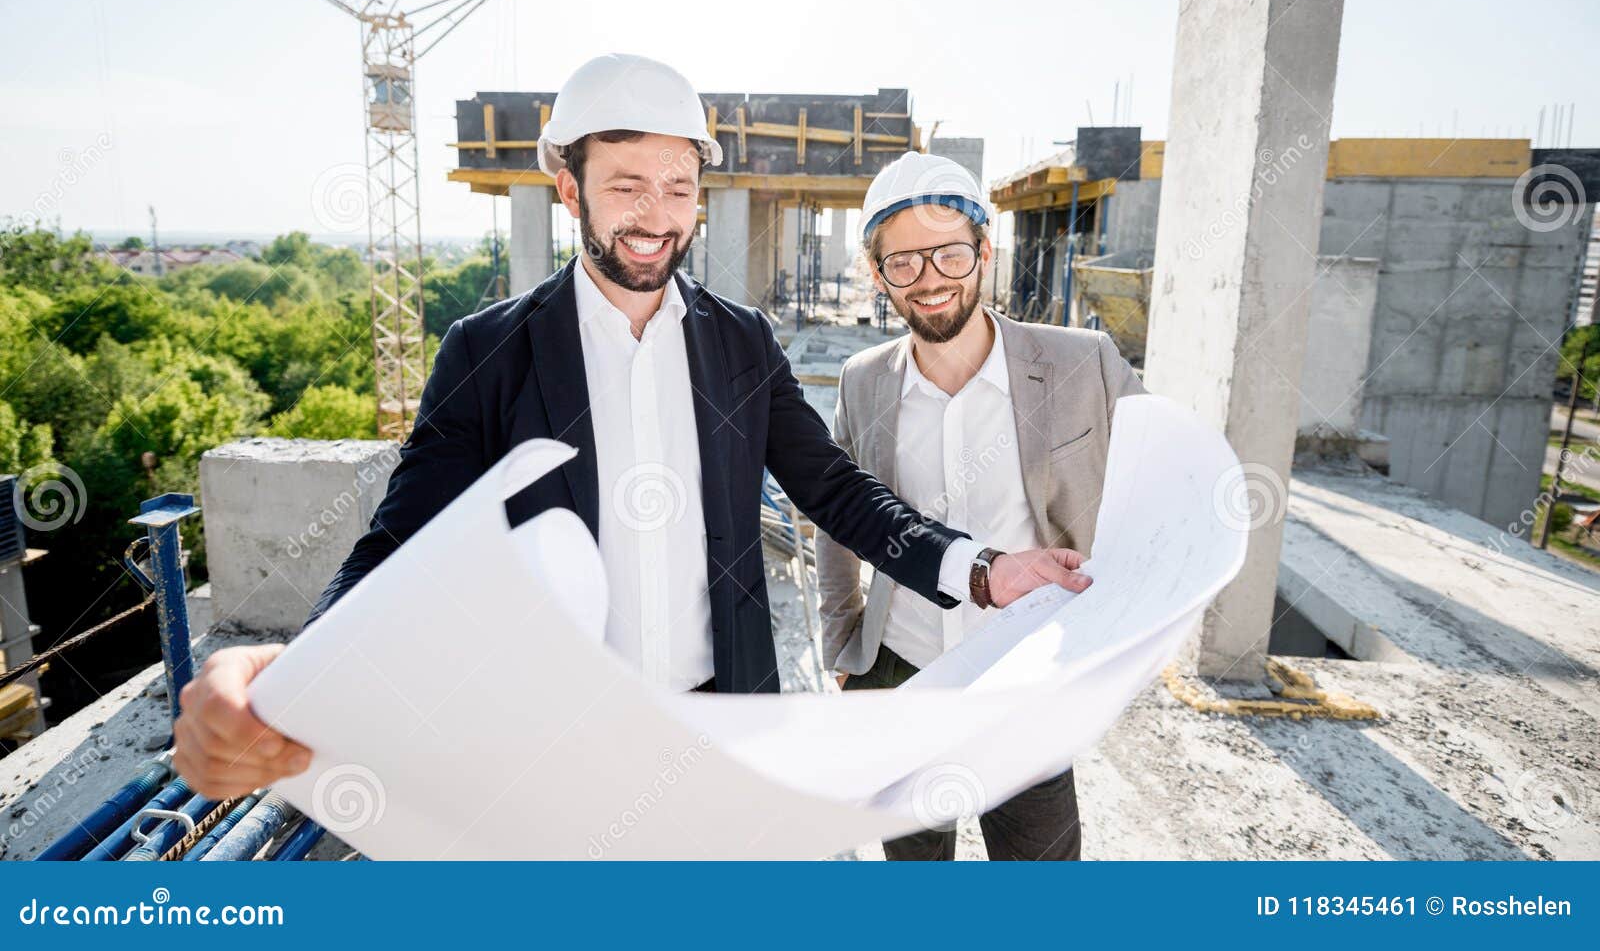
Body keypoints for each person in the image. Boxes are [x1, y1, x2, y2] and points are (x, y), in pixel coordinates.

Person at [174, 54, 1093, 799]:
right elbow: (406, 532)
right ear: (568, 188)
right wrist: (299, 671)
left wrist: (980, 567)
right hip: (558, 736)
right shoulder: (487, 353)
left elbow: (833, 490)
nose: (656, 216)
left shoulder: (739, 343)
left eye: (678, 187)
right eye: (625, 186)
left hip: (723, 725)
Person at [817, 151, 1145, 861]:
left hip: (1026, 680)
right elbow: (836, 515)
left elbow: (1158, 479)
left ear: (984, 253)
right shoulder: (863, 380)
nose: (929, 279)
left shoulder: (1081, 363)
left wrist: (1127, 624)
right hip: (900, 670)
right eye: (903, 263)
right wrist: (843, 643)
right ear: (878, 276)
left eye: (949, 255)